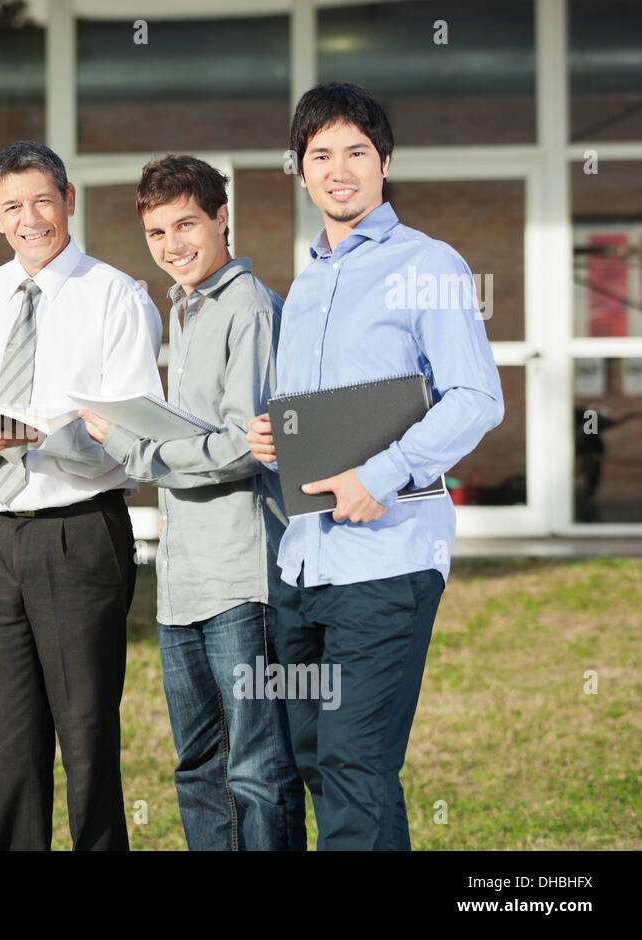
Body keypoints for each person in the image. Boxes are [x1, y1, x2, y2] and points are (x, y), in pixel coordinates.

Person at [246, 82, 503, 850]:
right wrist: (275, 439)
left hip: (388, 560)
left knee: (356, 763)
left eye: (357, 151)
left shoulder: (430, 263)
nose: (340, 169)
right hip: (305, 565)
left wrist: (379, 475)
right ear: (299, 171)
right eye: (320, 154)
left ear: (384, 163)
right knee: (324, 763)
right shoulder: (308, 282)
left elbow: (475, 397)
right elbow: (321, 416)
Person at [0, 140, 163, 851]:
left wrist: (41, 439)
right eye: (13, 206)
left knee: (86, 736)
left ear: (70, 201)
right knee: (3, 743)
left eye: (43, 201)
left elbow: (137, 431)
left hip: (80, 533)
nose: (30, 218)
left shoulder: (117, 297)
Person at [80, 154, 305, 850]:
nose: (172, 244)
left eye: (186, 224)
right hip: (181, 583)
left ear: (222, 217)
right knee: (197, 768)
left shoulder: (250, 309)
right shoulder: (187, 308)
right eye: (156, 232)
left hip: (242, 580)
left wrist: (134, 449)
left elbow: (246, 446)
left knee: (259, 772)